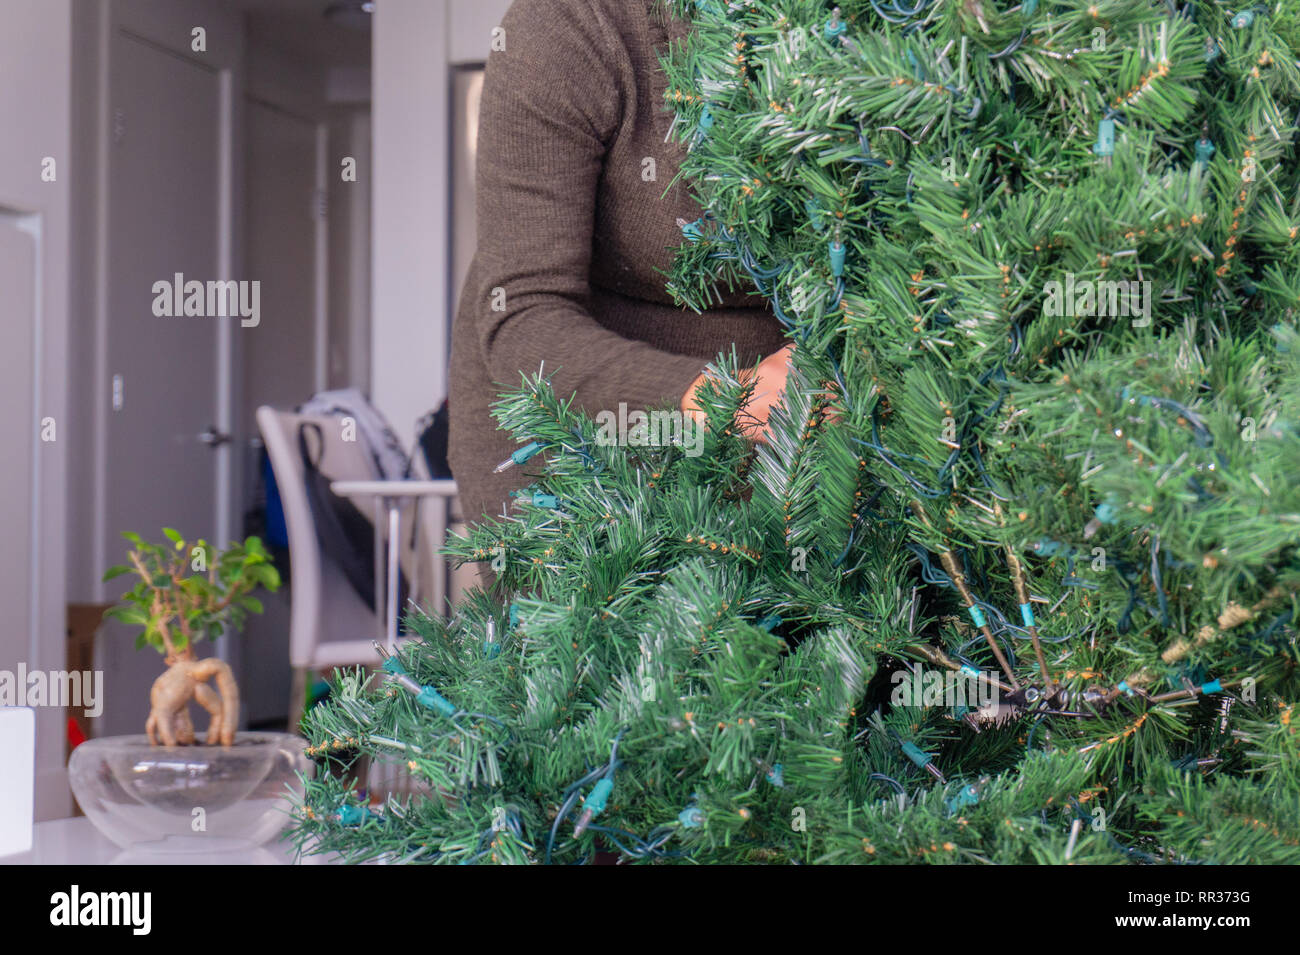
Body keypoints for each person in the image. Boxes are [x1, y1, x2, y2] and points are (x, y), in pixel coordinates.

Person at [448, 0, 794, 584]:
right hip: (574, 435)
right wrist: (728, 403)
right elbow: (524, 318)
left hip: (802, 425)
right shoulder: (566, 25)